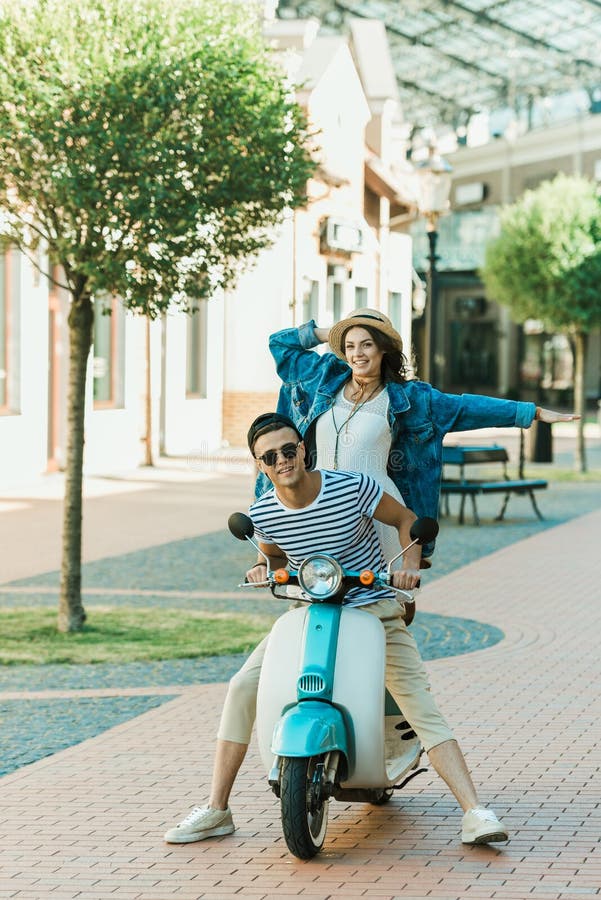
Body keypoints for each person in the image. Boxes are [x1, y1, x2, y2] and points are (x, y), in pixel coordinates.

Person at [164, 413, 509, 847]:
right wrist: (259, 567)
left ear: (303, 449)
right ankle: (217, 808)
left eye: (289, 450)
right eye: (270, 457)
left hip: (373, 611)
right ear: (260, 466)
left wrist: (407, 566)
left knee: (418, 702)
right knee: (241, 686)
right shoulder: (263, 512)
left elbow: (406, 520)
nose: (283, 461)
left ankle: (474, 811)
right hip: (310, 616)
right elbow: (270, 556)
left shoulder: (351, 487)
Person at [263, 308, 578, 563]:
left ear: (384, 349)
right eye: (350, 346)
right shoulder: (323, 380)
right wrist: (335, 330)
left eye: (367, 344)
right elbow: (281, 345)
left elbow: (466, 407)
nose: (357, 353)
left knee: (381, 604)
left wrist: (531, 412)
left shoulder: (411, 400)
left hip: (376, 511)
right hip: (323, 506)